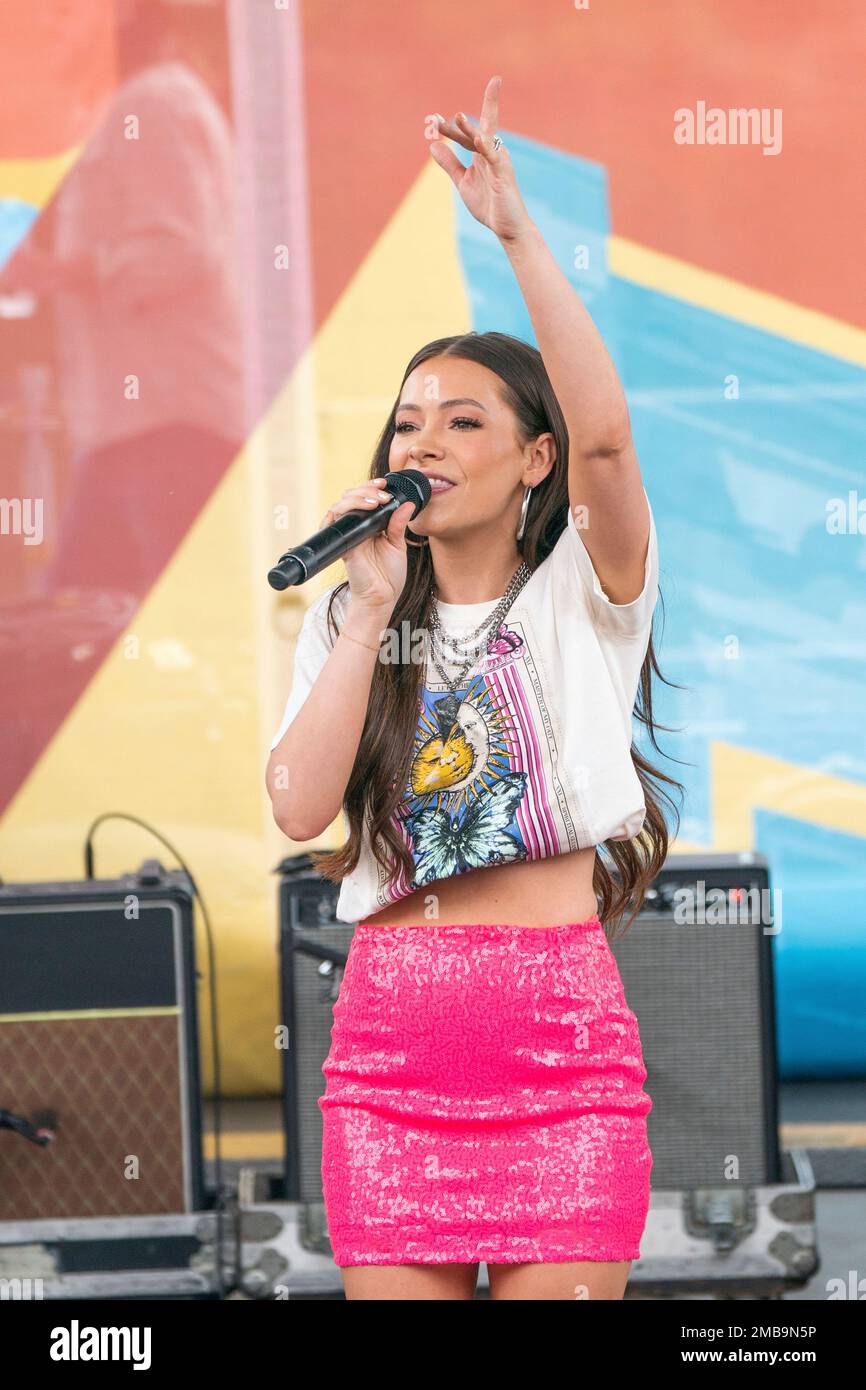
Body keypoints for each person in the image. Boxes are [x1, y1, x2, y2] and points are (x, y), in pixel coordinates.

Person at [266, 77, 682, 1302]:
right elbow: (298, 808)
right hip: (390, 1066)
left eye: (460, 423)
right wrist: (364, 616)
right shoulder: (353, 606)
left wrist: (512, 232)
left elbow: (608, 443)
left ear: (531, 459)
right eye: (404, 427)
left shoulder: (582, 593)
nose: (422, 447)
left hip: (560, 1063)